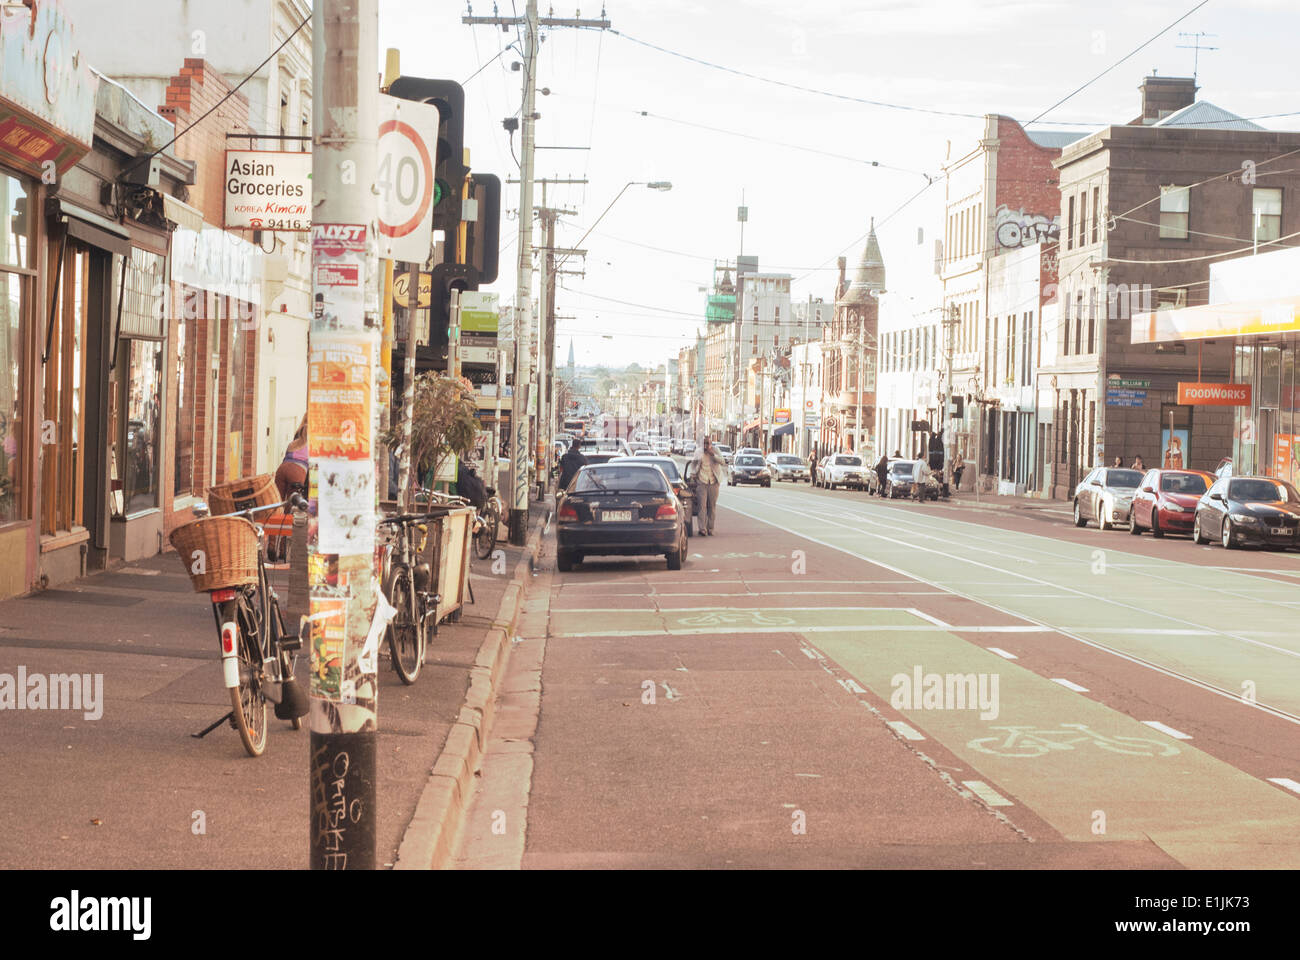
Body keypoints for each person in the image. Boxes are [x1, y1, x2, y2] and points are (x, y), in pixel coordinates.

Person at [691, 437, 726, 535]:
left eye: (708, 443)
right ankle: (702, 529)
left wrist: (713, 455)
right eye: (704, 444)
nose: (706, 446)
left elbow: (723, 462)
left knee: (712, 506)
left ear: (711, 444)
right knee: (702, 506)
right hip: (702, 481)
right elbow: (693, 465)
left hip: (714, 482)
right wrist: (693, 474)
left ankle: (710, 528)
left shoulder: (715, 450)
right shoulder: (698, 452)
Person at [274, 414, 308, 498]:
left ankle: (276, 511)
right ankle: (287, 511)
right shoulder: (312, 447)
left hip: (282, 469)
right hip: (297, 471)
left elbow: (286, 457)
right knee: (292, 500)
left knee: (278, 499)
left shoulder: (292, 444)